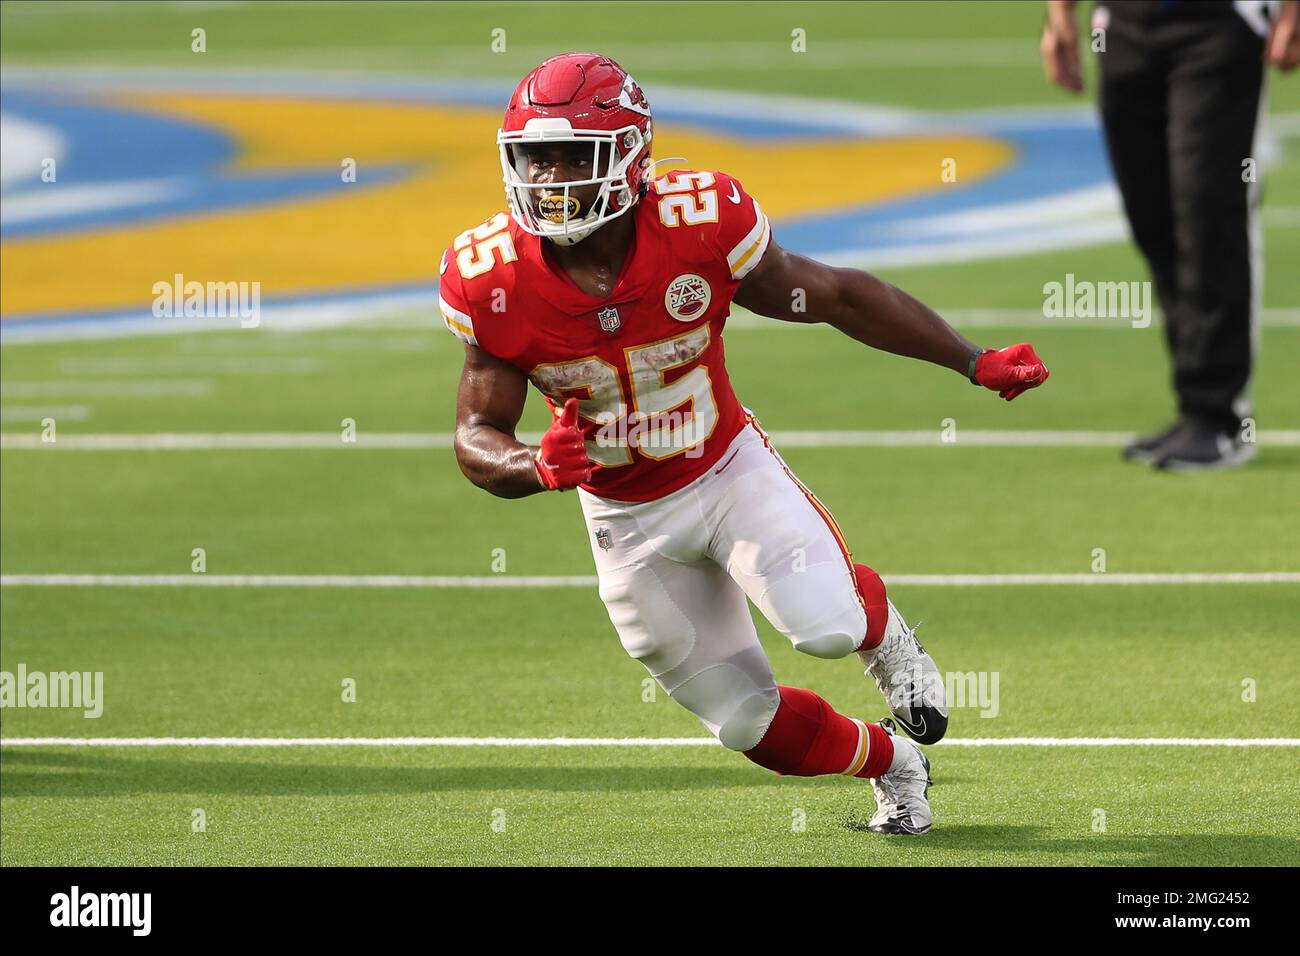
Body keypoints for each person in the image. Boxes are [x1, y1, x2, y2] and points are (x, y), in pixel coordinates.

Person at [441, 53, 1050, 835]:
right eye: (534, 156)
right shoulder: (490, 277)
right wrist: (530, 464)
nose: (550, 177)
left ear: (631, 157)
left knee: (824, 624)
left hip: (725, 468)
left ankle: (886, 638)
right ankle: (894, 765)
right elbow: (475, 435)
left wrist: (970, 359)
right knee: (744, 723)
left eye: (573, 155)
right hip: (624, 517)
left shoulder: (700, 221)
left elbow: (835, 296)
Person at [1042, 0, 1300, 470]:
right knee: (1150, 214)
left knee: (1209, 210)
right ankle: (1195, 407)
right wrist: (1060, 14)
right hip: (1121, 22)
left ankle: (1220, 416)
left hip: (1221, 20)